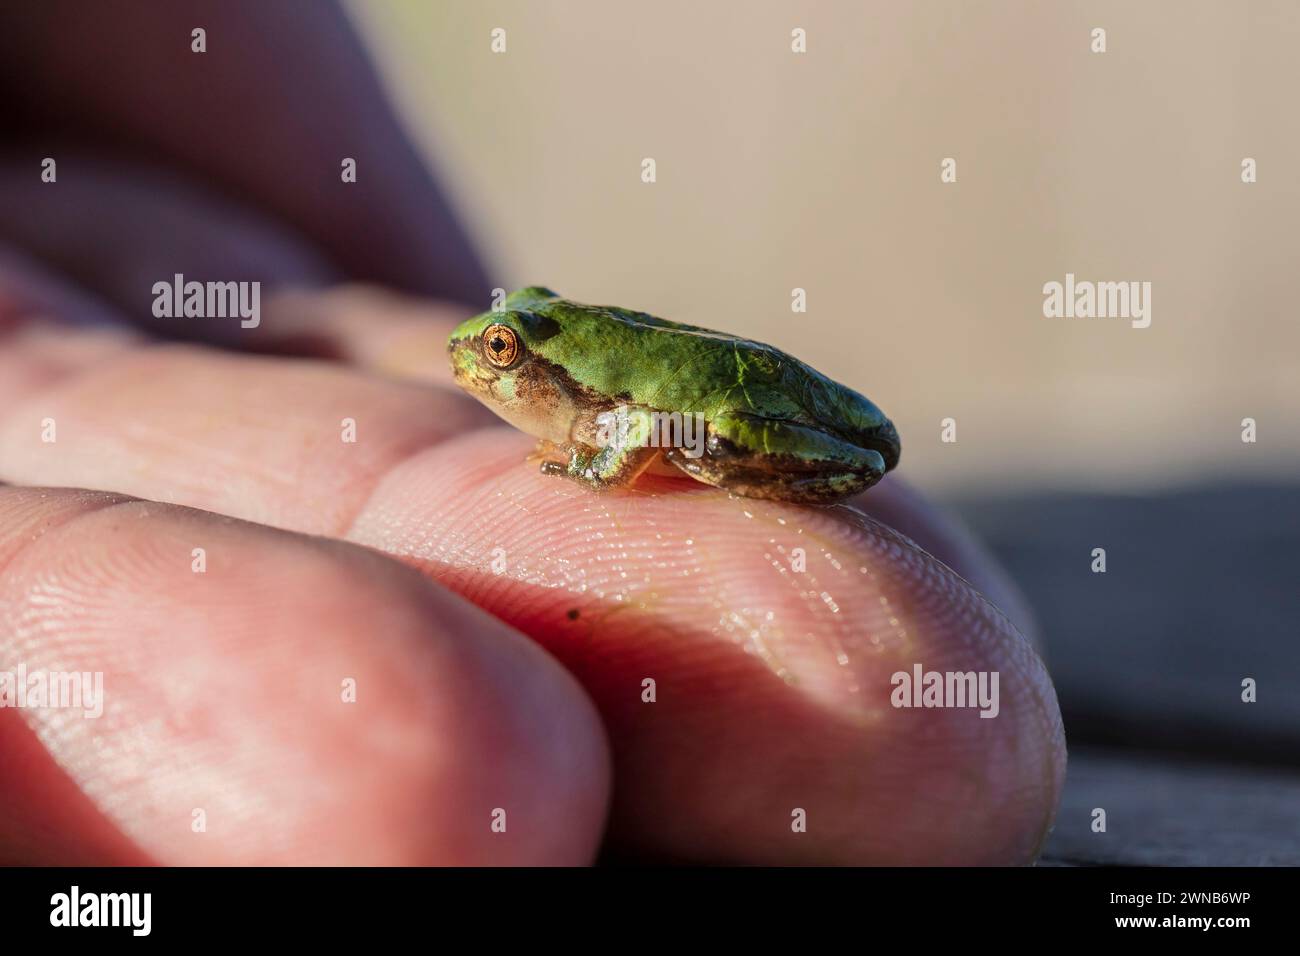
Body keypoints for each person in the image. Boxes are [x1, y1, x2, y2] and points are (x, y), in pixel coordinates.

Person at [0, 1, 1063, 865]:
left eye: (505, 355)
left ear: (542, 364)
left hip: (764, 419)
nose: (479, 360)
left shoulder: (601, 397)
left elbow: (650, 422)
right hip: (802, 402)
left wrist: (603, 460)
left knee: (688, 436)